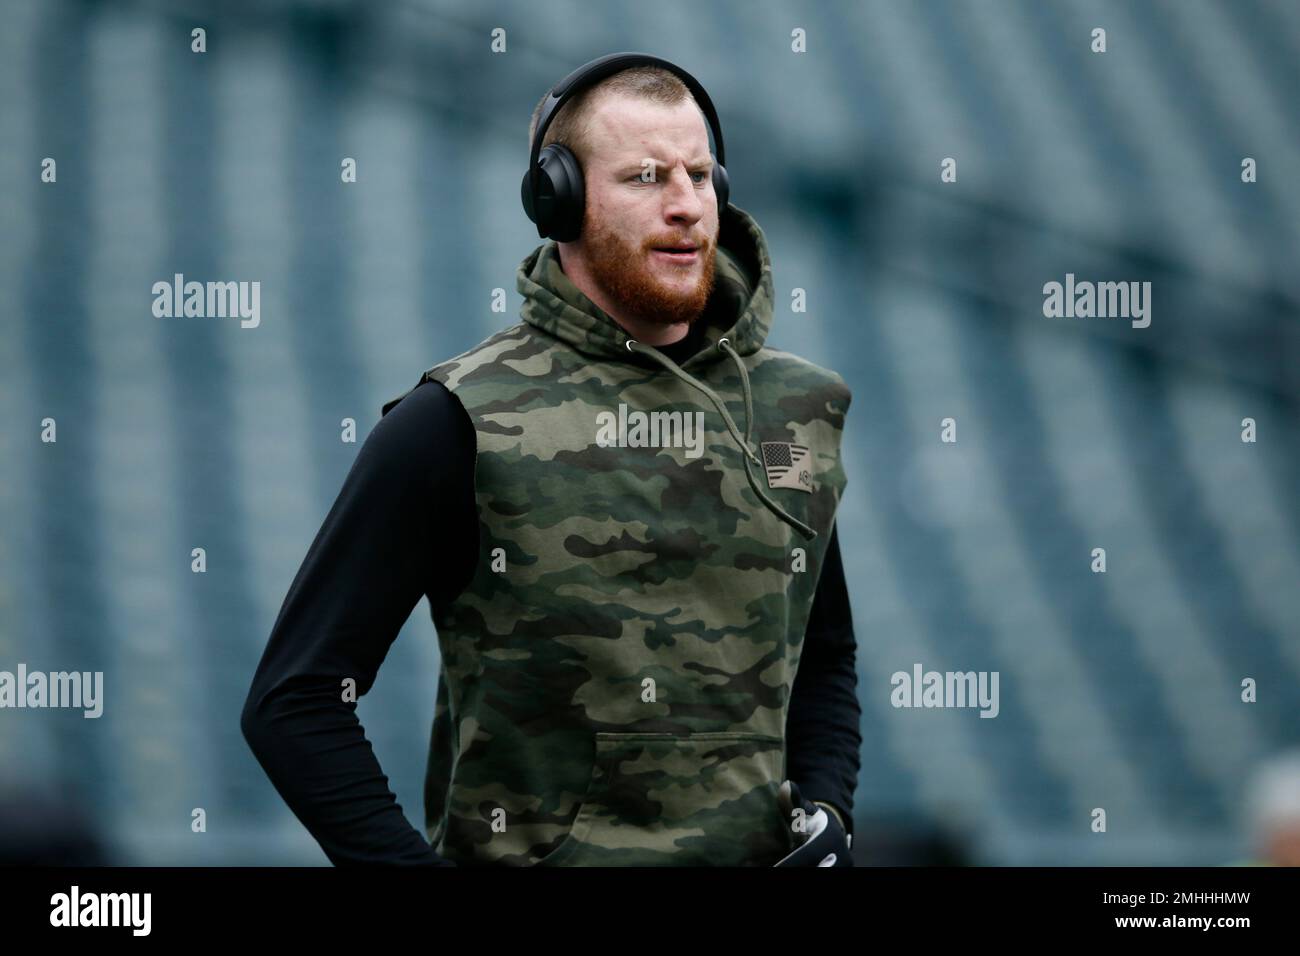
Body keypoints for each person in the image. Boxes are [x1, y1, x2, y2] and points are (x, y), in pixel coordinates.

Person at [241, 53, 860, 867]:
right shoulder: (457, 420)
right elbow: (295, 700)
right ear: (557, 199)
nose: (684, 205)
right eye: (645, 177)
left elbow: (825, 652)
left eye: (700, 175)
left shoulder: (797, 408)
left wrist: (827, 812)